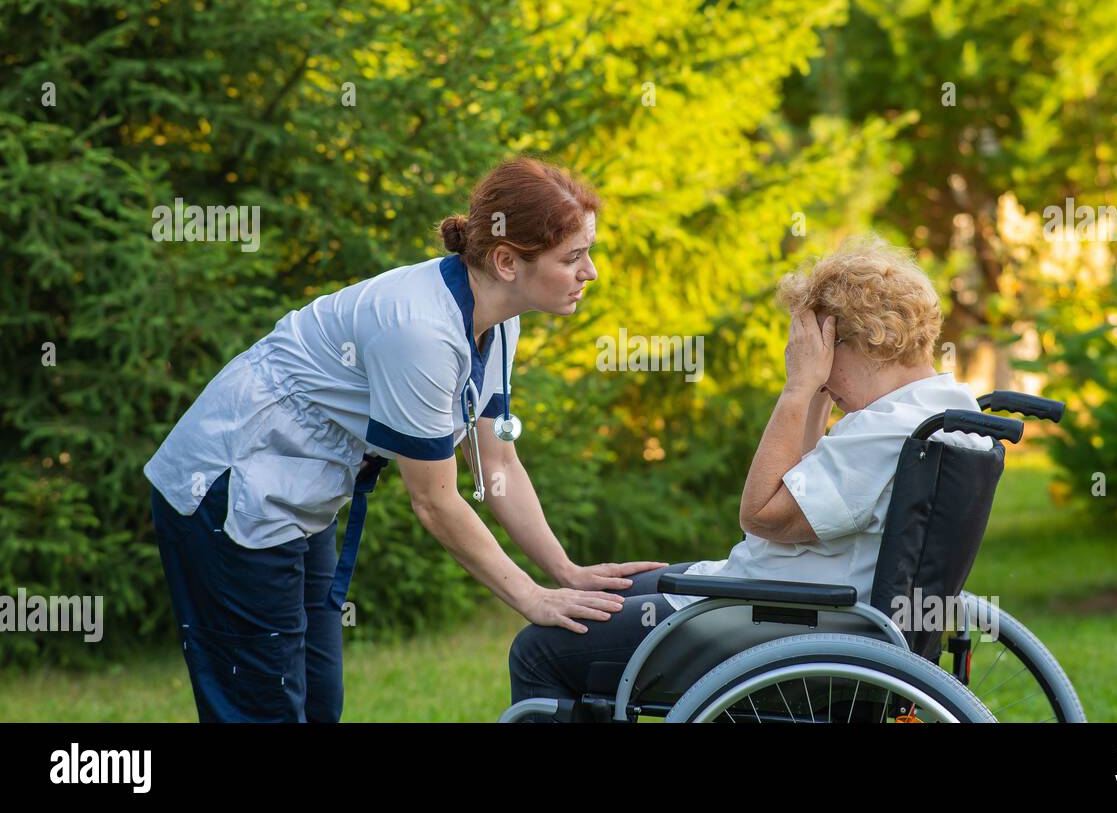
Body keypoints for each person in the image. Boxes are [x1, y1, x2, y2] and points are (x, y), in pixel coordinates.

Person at [146, 157, 666, 722]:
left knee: (318, 701)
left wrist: (564, 570)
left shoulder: (498, 317)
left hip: (297, 494)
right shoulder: (421, 331)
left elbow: (497, 465)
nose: (590, 272)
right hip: (227, 487)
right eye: (573, 257)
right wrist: (530, 597)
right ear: (506, 261)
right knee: (262, 709)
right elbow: (435, 502)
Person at [507, 234, 992, 707]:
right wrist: (820, 396)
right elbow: (802, 482)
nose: (811, 363)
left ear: (865, 341)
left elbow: (762, 514)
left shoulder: (886, 429)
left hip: (784, 625)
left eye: (819, 349)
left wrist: (798, 388)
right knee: (603, 592)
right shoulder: (937, 408)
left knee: (540, 648)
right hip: (802, 609)